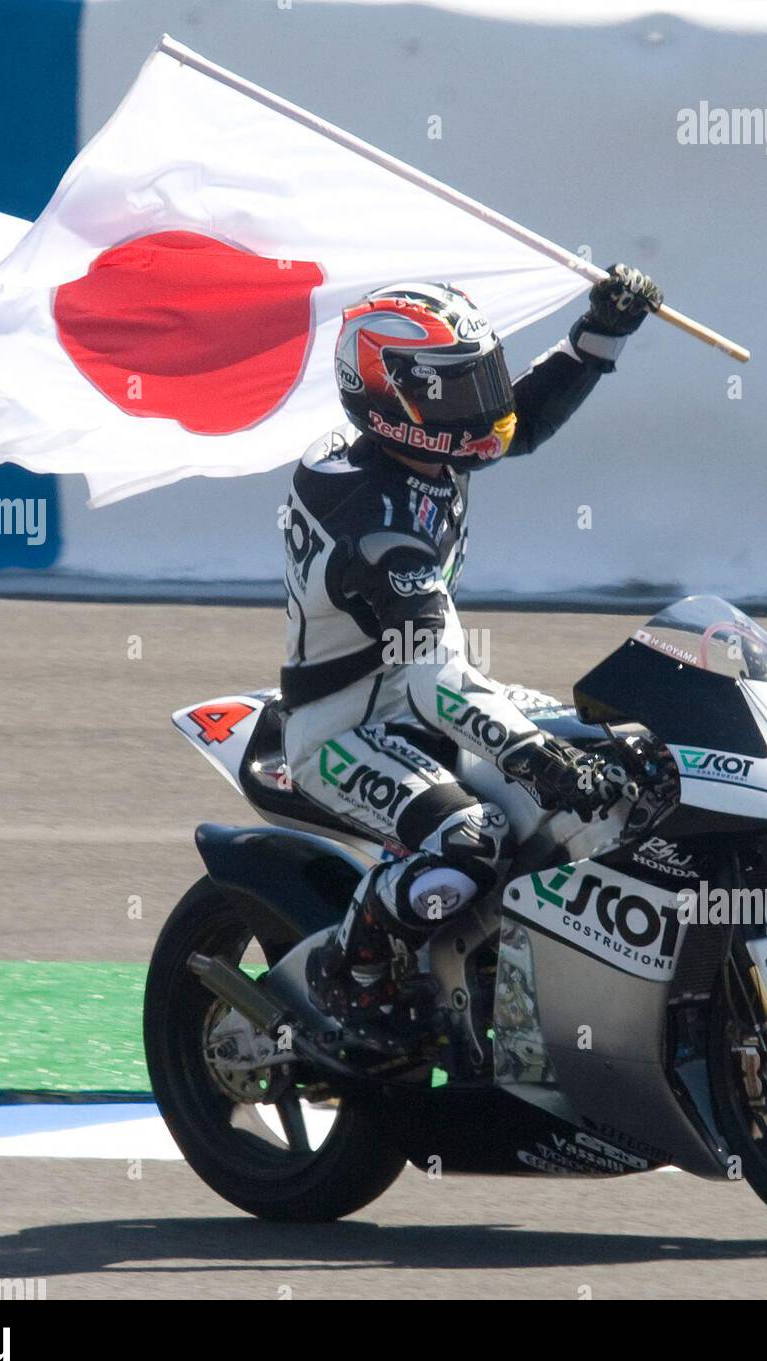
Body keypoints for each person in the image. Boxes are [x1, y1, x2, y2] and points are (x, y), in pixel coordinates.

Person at [278, 266, 677, 1038]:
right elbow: (439, 686)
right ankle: (351, 978)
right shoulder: (374, 523)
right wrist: (537, 759)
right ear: (394, 399)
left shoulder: (418, 449)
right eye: (461, 388)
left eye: (483, 378)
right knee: (473, 839)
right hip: (343, 729)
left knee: (615, 750)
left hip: (417, 696)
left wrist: (603, 330)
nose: (486, 406)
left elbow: (520, 422)